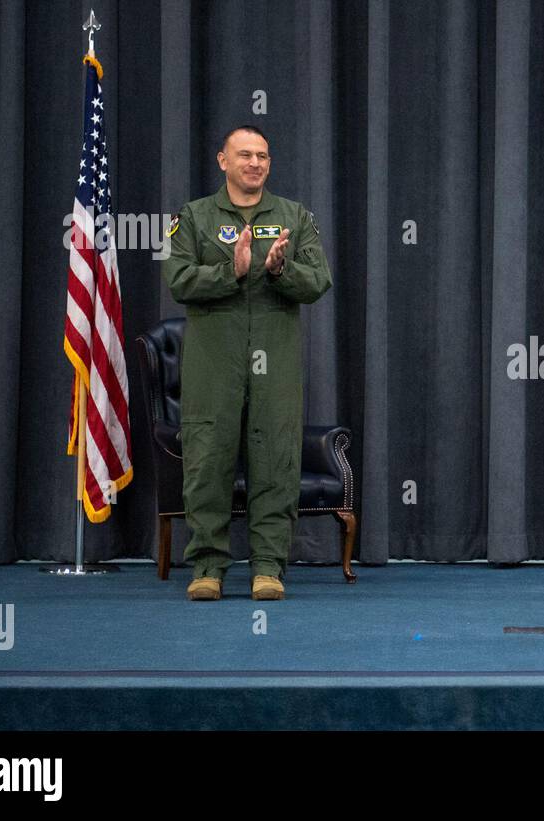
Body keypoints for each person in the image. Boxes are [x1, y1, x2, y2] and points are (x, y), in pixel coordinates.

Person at [162, 125, 332, 601]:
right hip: (214, 363)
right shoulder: (194, 217)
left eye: (262, 155)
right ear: (223, 161)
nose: (254, 163)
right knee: (207, 463)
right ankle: (208, 568)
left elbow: (319, 282)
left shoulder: (293, 217)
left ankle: (268, 567)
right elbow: (177, 280)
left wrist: (281, 269)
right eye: (244, 155)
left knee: (275, 464)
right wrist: (230, 272)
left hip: (274, 362)